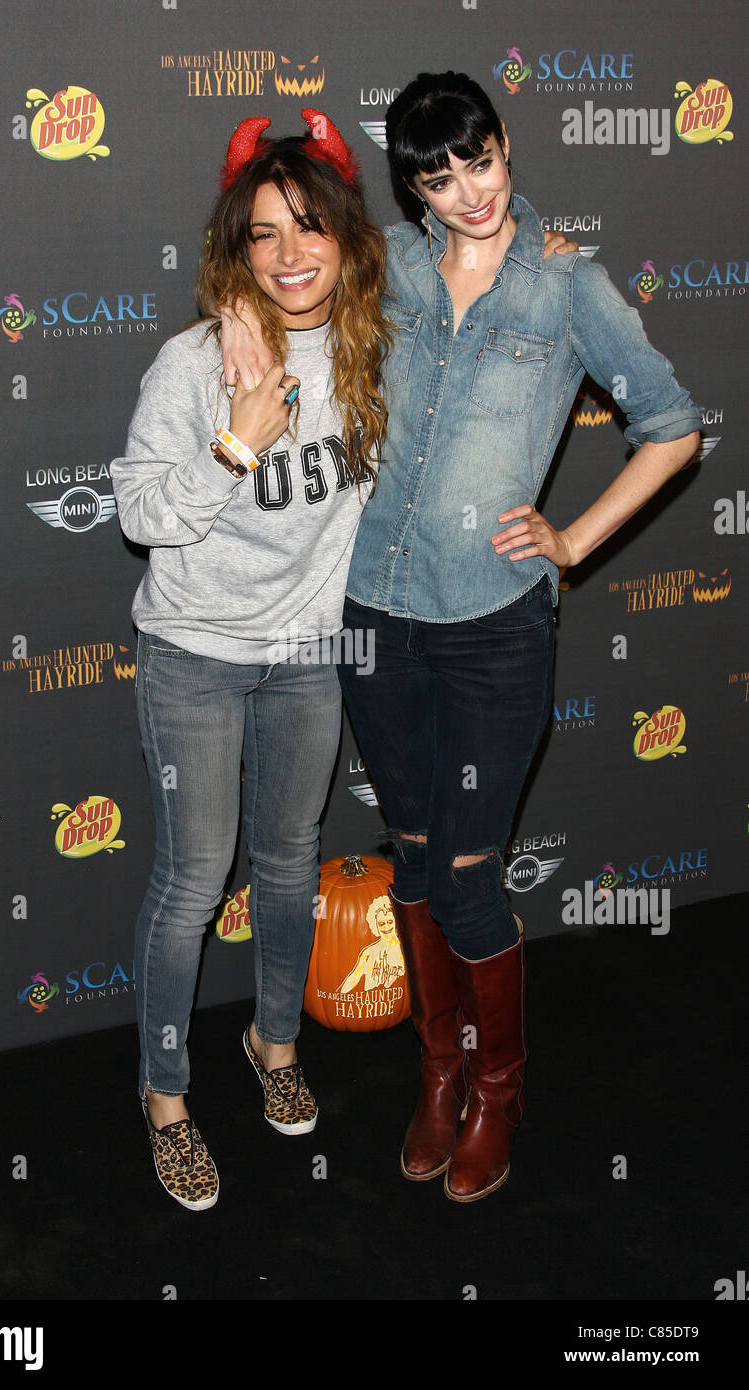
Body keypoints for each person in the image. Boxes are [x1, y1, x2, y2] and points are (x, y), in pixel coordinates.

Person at [222, 71, 701, 1204]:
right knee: (416, 867)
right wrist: (242, 309)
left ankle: (502, 1087)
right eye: (436, 174)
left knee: (472, 881)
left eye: (478, 160)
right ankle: (438, 1071)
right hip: (378, 617)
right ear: (412, 184)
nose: (467, 191)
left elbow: (672, 427)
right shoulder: (382, 262)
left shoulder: (567, 284)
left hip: (492, 629)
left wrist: (571, 538)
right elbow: (284, 282)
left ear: (503, 144)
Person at [110, 110, 391, 1209]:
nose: (288, 254)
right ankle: (164, 1096)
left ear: (346, 239)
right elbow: (137, 510)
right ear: (236, 246)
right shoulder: (193, 364)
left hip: (306, 655)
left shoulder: (373, 350)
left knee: (289, 864)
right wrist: (236, 443)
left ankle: (275, 1048)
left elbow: (453, 245)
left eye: (310, 227)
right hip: (193, 655)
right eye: (263, 232)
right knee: (191, 881)